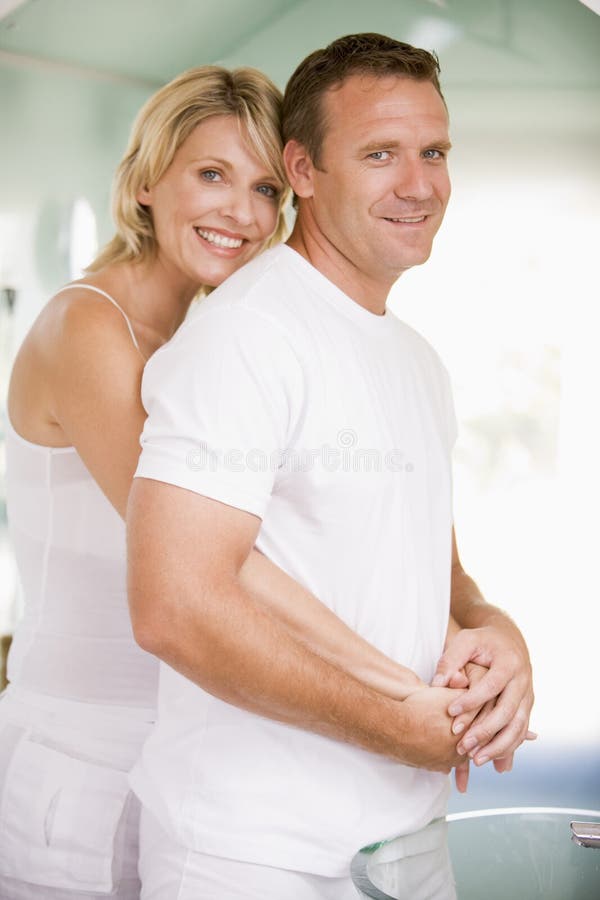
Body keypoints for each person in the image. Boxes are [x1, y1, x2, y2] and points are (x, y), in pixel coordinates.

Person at [127, 32, 536, 900]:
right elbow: (172, 607)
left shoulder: (416, 360)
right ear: (303, 170)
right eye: (380, 154)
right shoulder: (246, 335)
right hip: (253, 856)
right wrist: (396, 725)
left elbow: (438, 575)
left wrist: (497, 634)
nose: (418, 184)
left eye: (434, 153)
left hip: (407, 838)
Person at [1, 63, 423, 900]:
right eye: (211, 175)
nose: (242, 213)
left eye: (266, 189)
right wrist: (397, 692)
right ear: (146, 181)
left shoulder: (205, 337)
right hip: (79, 765)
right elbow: (209, 565)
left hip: (182, 756)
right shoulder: (85, 327)